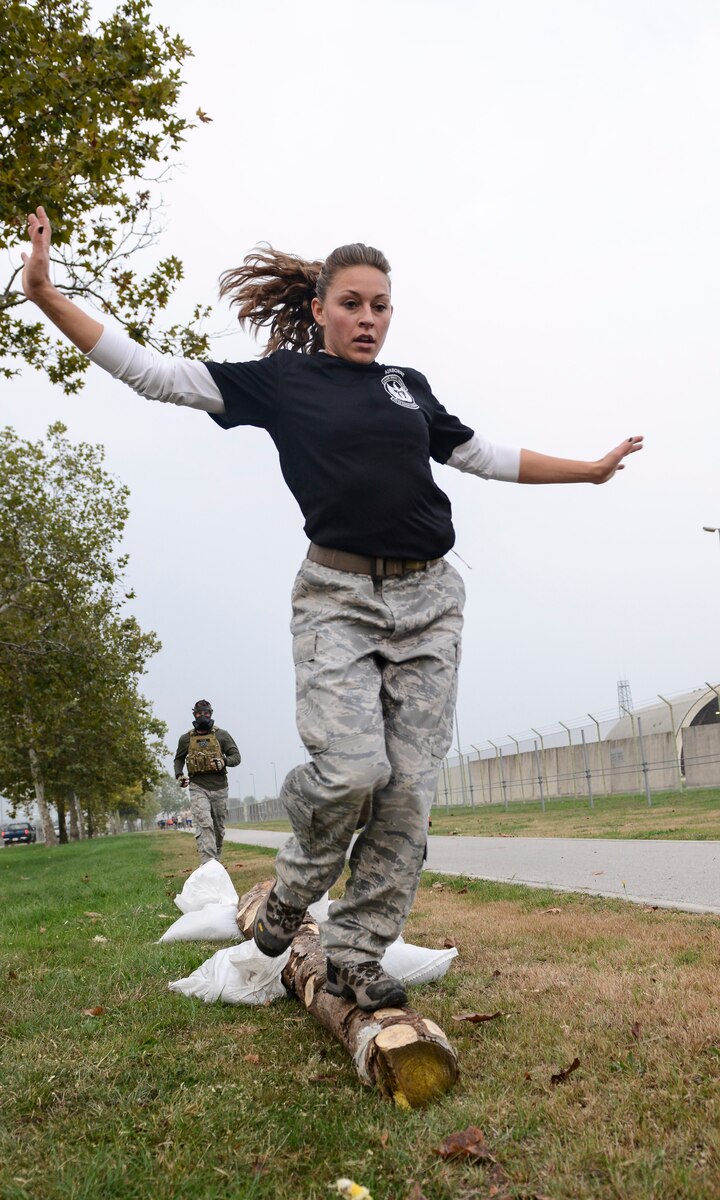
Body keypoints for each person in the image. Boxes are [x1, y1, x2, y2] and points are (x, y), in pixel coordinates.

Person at [21, 208, 643, 1010]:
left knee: (408, 796)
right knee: (354, 770)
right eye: (352, 303)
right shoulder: (282, 381)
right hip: (337, 599)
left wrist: (588, 472)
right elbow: (156, 375)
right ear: (319, 308)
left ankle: (352, 951)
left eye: (381, 306)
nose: (368, 319)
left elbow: (480, 455)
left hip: (429, 601)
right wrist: (45, 295)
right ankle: (288, 896)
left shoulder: (405, 386)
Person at [173, 700, 241, 863]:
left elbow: (236, 757)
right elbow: (179, 759)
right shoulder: (186, 739)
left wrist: (224, 761)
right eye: (199, 713)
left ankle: (215, 860)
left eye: (205, 713)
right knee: (205, 824)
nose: (202, 716)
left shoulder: (222, 735)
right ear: (194, 714)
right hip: (198, 787)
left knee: (218, 829)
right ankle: (208, 865)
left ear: (211, 713)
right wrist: (179, 776)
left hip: (220, 788)